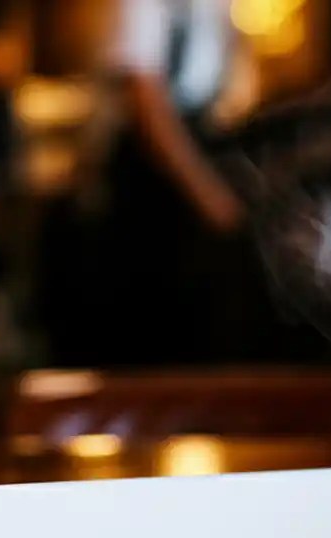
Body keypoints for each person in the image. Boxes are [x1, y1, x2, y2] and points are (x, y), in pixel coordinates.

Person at [43, 0, 252, 366]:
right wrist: (209, 195)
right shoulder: (143, 5)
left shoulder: (217, 7)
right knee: (149, 326)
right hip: (148, 179)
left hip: (198, 151)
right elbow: (145, 100)